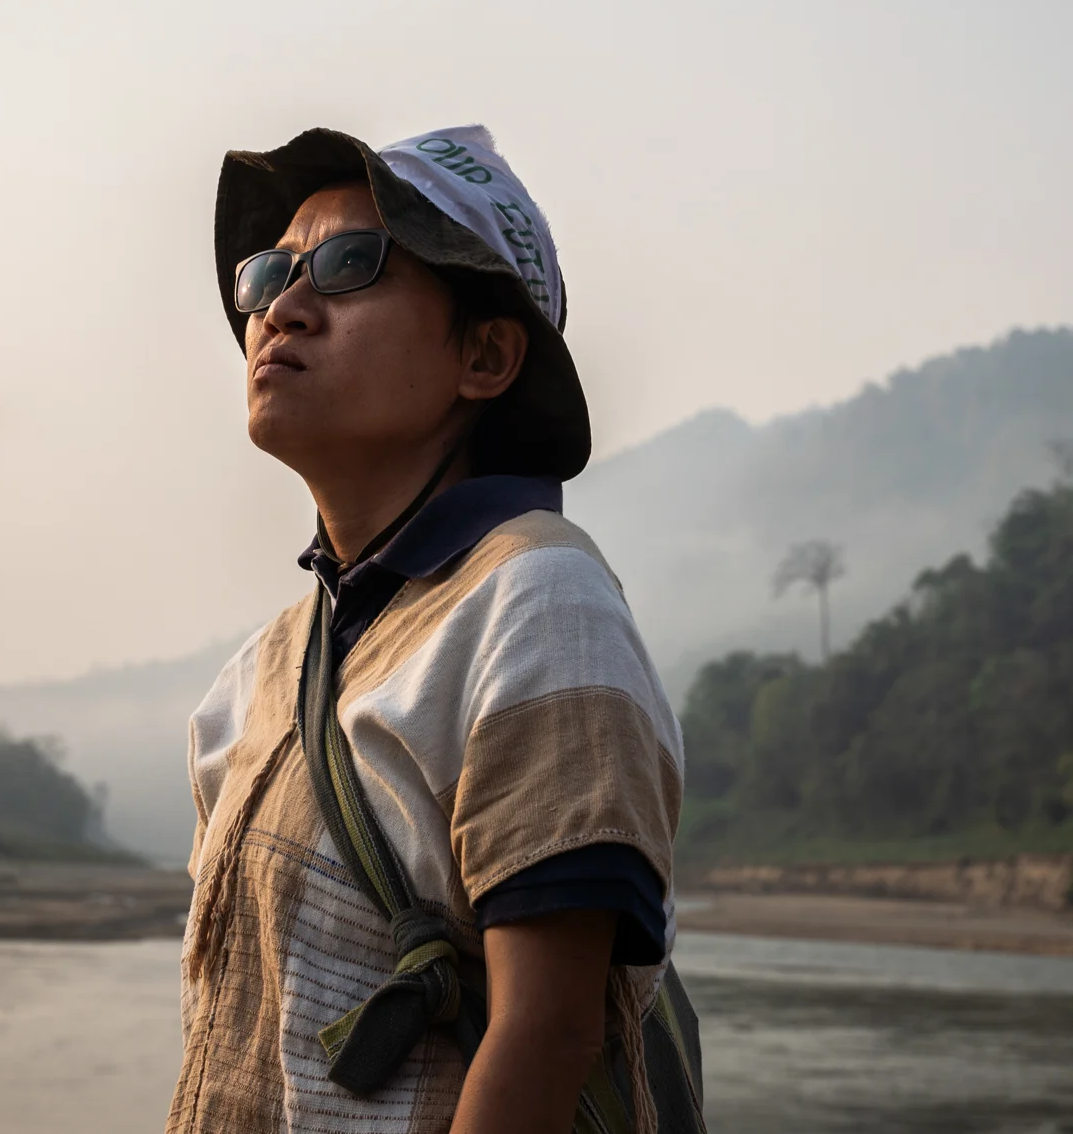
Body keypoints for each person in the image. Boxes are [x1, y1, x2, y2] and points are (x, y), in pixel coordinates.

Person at [169, 126, 690, 1134]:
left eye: (351, 266)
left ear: (486, 355)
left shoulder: (536, 600)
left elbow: (546, 1033)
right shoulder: (261, 672)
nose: (283, 308)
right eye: (270, 272)